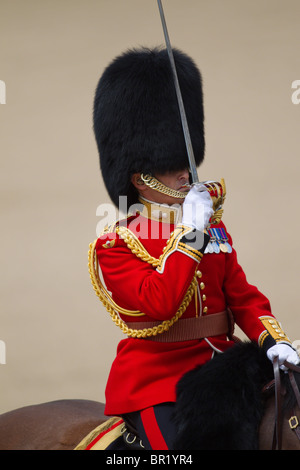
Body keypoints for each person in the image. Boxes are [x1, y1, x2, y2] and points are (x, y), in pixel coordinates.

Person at [90, 47, 299, 450]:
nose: (186, 171)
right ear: (140, 177)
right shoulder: (116, 242)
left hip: (224, 370)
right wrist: (190, 234)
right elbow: (160, 303)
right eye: (173, 165)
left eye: (187, 161)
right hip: (156, 383)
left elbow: (241, 296)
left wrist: (274, 342)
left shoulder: (212, 226)